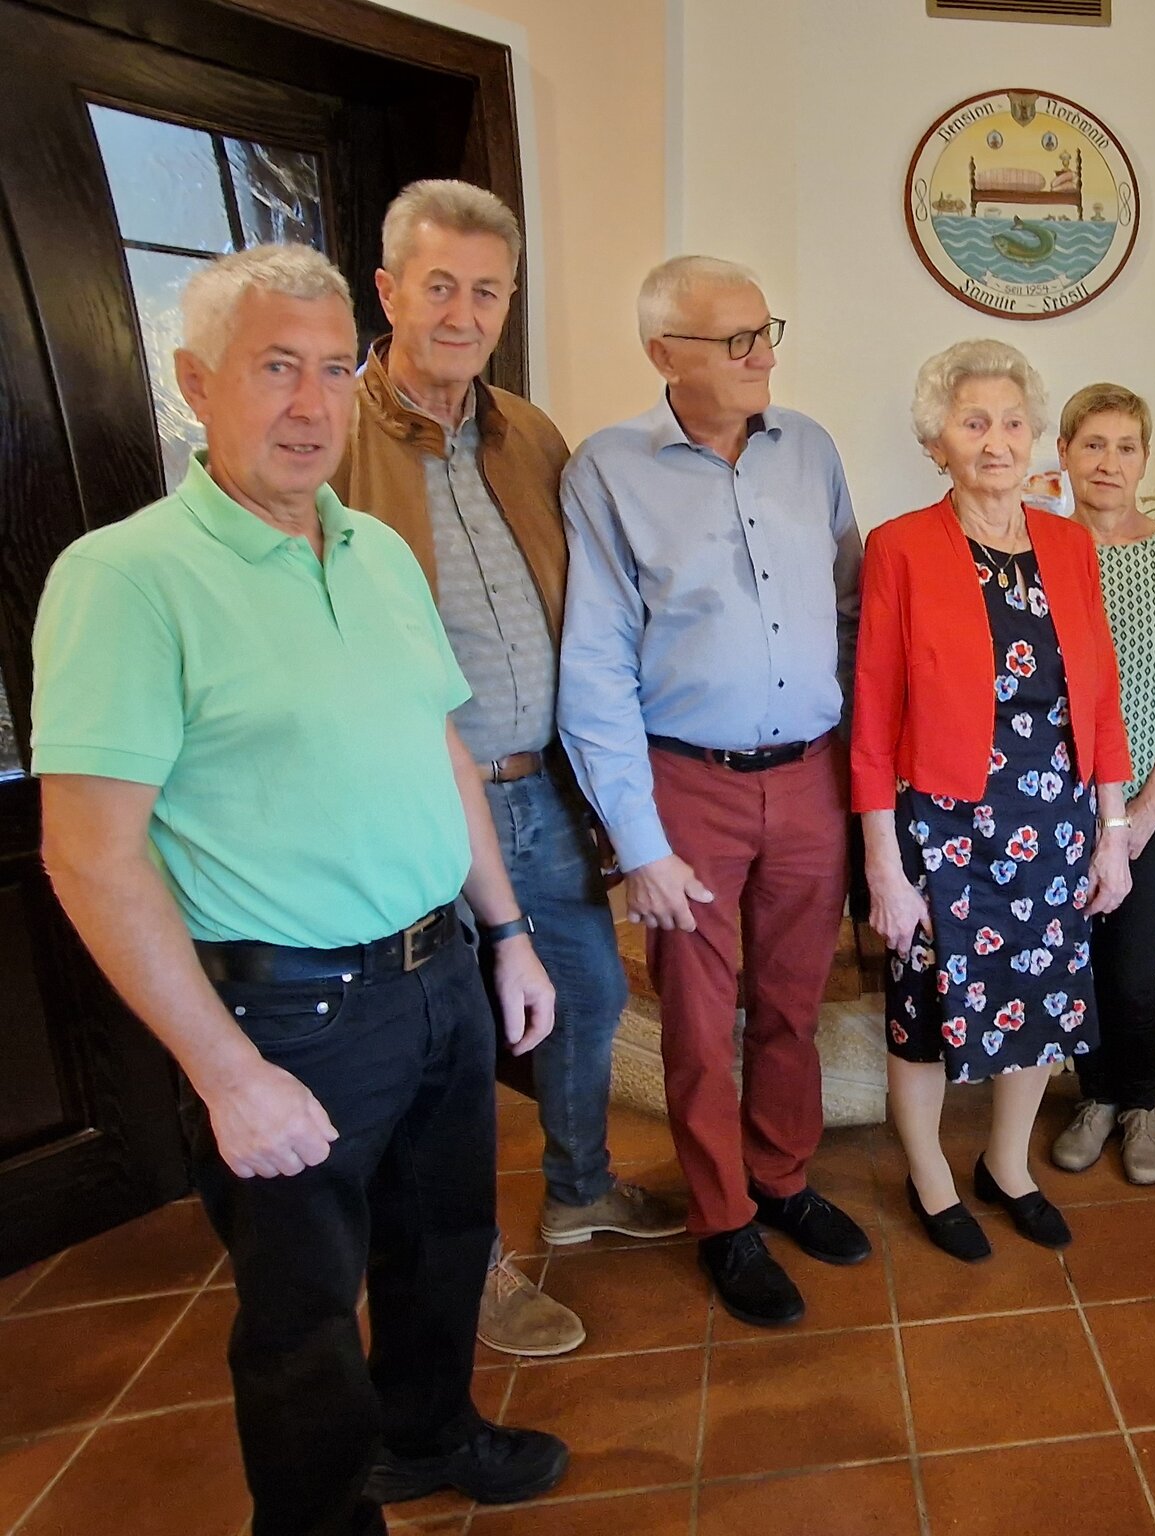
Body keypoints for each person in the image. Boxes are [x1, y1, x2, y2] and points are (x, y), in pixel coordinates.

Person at [31, 244, 567, 1533]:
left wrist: (508, 935)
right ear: (195, 384)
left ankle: (430, 1436)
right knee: (302, 1313)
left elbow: (441, 748)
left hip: (438, 976)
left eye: (334, 369)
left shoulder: (375, 549)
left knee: (442, 1251)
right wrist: (225, 1074)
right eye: (277, 369)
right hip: (290, 1018)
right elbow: (90, 854)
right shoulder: (124, 579)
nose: (313, 405)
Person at [332, 179, 685, 1360]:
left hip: (539, 794)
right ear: (386, 292)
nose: (462, 311)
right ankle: (468, 1269)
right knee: (452, 1052)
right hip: (413, 805)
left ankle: (580, 1189)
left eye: (485, 291)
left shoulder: (528, 432)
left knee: (584, 999)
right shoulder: (332, 439)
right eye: (438, 285)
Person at [558, 255, 870, 1331]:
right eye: (735, 340)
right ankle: (722, 1218)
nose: (763, 355)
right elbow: (592, 663)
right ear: (663, 355)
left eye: (764, 331)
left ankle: (781, 1181)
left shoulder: (812, 451)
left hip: (812, 778)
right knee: (697, 1021)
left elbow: (848, 605)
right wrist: (637, 840)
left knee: (792, 1002)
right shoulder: (607, 470)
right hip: (685, 783)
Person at [853, 339, 1134, 1261]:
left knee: (1041, 999)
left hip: (1053, 821)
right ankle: (930, 1174)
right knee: (926, 1008)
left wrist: (1113, 833)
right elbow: (873, 717)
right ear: (938, 440)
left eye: (1012, 422)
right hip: (942, 823)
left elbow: (1098, 700)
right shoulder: (900, 547)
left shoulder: (1067, 544)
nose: (997, 440)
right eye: (974, 421)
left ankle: (1008, 1166)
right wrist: (883, 866)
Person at [1049, 383, 1155, 1186]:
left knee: (1128, 967)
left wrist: (1144, 815)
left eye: (1124, 446)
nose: (1108, 462)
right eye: (1092, 444)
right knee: (1075, 962)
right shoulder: (1041, 549)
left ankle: (1141, 1101)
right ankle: (1097, 1097)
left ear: (1145, 459)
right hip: (1055, 805)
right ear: (1065, 454)